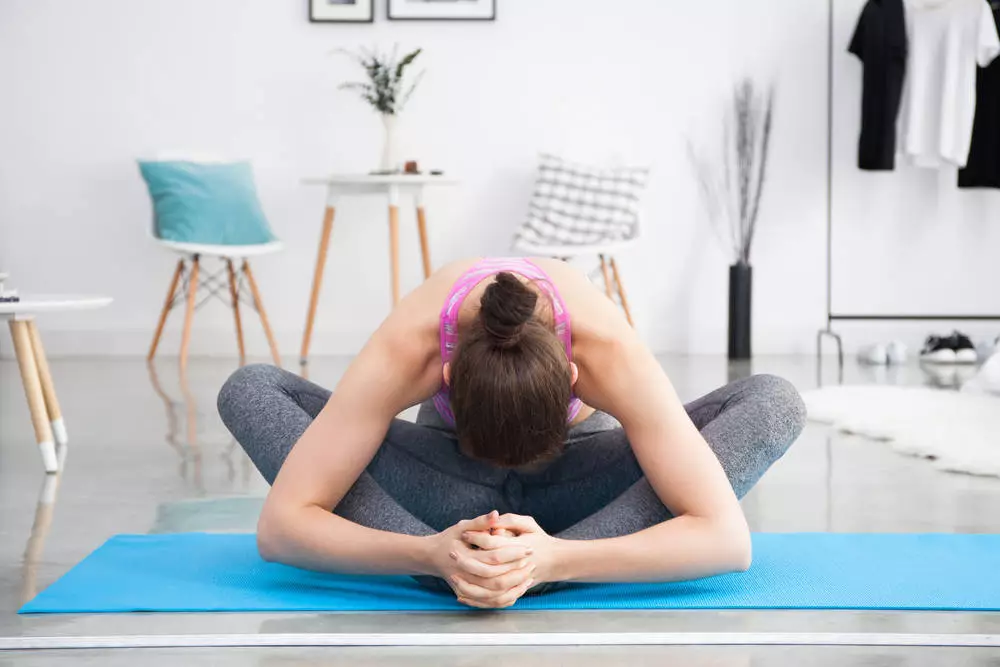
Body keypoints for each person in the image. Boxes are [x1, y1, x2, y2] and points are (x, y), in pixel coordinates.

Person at [218, 257, 805, 609]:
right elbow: (281, 528)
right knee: (251, 388)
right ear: (448, 377)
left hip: (575, 494)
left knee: (774, 400)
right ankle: (467, 564)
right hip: (444, 493)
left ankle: (510, 568)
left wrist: (552, 559)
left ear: (573, 377)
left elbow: (728, 541)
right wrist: (427, 552)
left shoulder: (607, 350)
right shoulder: (411, 346)